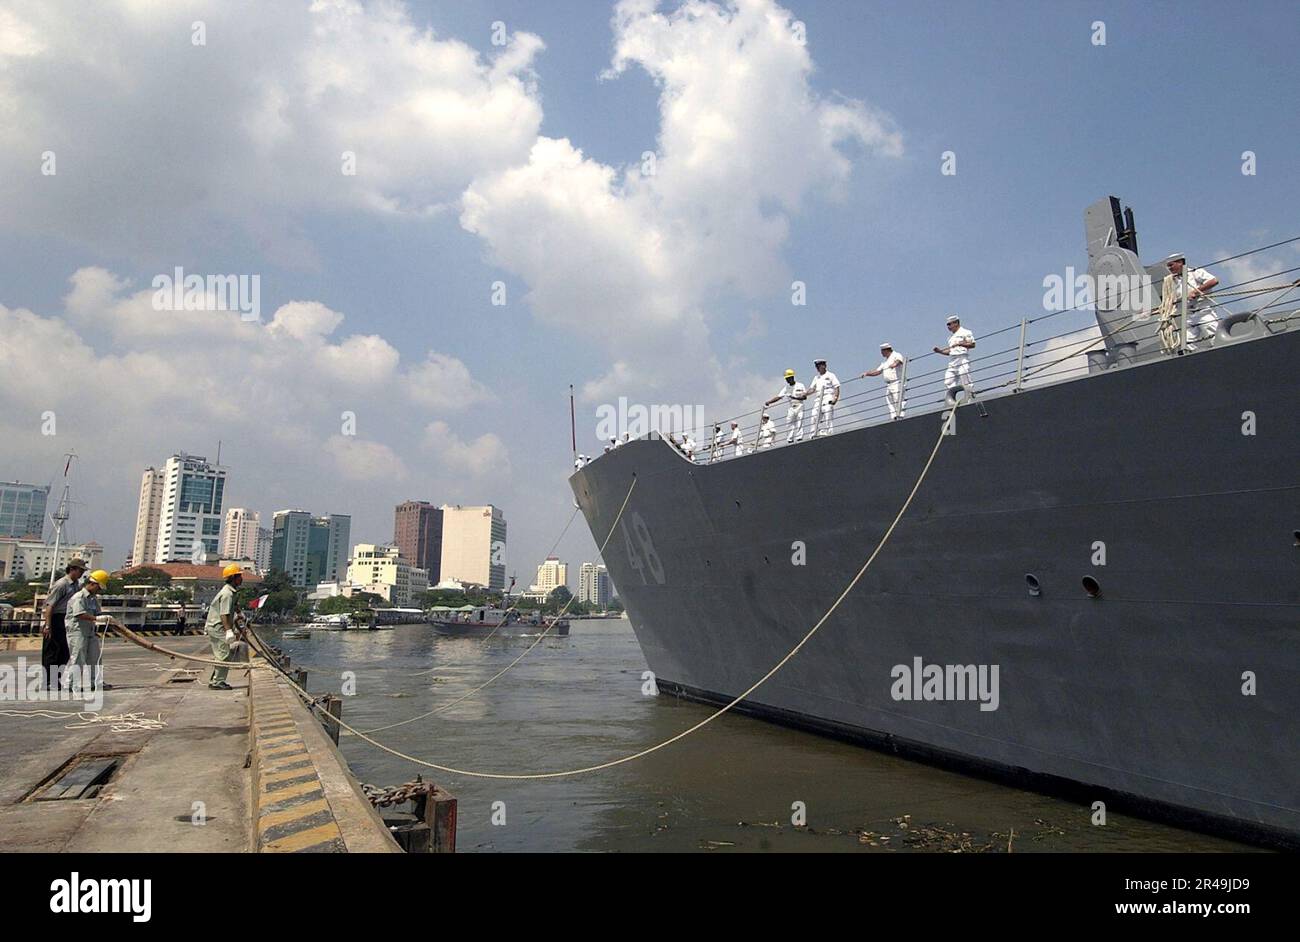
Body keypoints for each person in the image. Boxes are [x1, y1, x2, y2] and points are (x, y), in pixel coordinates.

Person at [41, 557, 87, 689]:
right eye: (80, 570)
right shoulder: (61, 584)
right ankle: (48, 681)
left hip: (67, 619)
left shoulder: (76, 585)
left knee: (64, 651)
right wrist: (48, 625)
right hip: (56, 618)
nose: (82, 573)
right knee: (52, 651)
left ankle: (56, 680)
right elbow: (50, 606)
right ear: (72, 569)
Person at [65, 568, 109, 694]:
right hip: (77, 631)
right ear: (92, 584)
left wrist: (104, 618)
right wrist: (96, 618)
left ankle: (95, 682)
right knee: (78, 658)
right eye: (98, 588)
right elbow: (79, 614)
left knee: (95, 658)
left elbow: (98, 612)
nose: (99, 591)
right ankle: (70, 684)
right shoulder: (79, 597)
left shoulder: (93, 599)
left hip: (90, 631)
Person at [205, 564, 248, 691]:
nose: (241, 579)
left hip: (218, 626)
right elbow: (224, 614)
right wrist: (229, 630)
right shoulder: (227, 594)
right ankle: (218, 682)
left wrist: (239, 613)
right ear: (233, 578)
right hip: (218, 626)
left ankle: (215, 680)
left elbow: (234, 605)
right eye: (239, 576)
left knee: (221, 654)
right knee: (223, 654)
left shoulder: (231, 591)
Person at [1164, 253, 1220, 349]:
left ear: (1180, 262)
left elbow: (1214, 281)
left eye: (1171, 265)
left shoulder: (1195, 272)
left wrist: (1195, 292)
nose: (1169, 268)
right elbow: (1173, 300)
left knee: (1214, 335)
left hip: (1203, 311)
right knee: (1186, 342)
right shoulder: (1174, 281)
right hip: (1188, 315)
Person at [935, 315, 976, 404]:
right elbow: (950, 351)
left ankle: (969, 398)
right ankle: (952, 400)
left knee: (964, 377)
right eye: (947, 325)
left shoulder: (965, 332)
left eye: (949, 324)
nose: (948, 327)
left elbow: (972, 344)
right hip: (953, 360)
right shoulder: (950, 338)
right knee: (948, 380)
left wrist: (961, 344)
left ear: (956, 323)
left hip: (962, 358)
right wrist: (940, 351)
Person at [861, 343, 906, 420]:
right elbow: (877, 371)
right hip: (889, 384)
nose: (881, 353)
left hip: (897, 382)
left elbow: (899, 361)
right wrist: (867, 373)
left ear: (886, 350)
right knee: (890, 400)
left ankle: (900, 416)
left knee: (898, 399)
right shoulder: (885, 363)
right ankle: (894, 417)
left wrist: (895, 364)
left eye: (882, 351)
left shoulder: (896, 355)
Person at [764, 369, 807, 444]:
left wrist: (795, 397)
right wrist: (769, 402)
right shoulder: (786, 388)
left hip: (799, 404)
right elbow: (779, 397)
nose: (787, 380)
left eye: (788, 378)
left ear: (792, 377)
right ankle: (790, 439)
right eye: (786, 379)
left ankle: (799, 437)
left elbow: (805, 397)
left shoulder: (800, 385)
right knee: (789, 423)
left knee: (800, 421)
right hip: (791, 407)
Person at [808, 359, 840, 436]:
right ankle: (813, 434)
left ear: (824, 366)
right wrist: (805, 394)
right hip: (818, 398)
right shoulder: (816, 377)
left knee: (828, 414)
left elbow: (837, 387)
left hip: (827, 396)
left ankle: (829, 433)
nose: (818, 368)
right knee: (814, 415)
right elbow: (812, 389)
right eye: (817, 367)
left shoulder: (831, 375)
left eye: (819, 366)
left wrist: (835, 398)